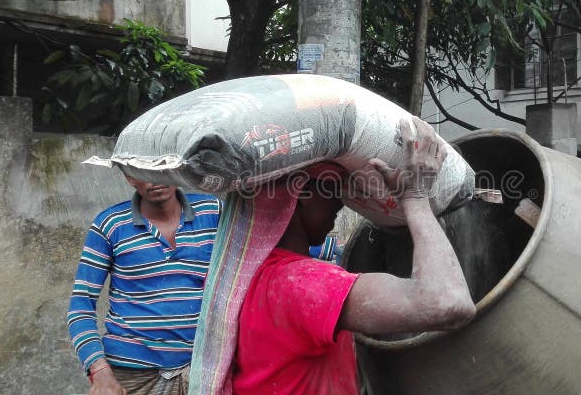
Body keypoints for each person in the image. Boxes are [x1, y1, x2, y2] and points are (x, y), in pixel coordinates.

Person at [231, 117, 476, 394]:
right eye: (332, 186)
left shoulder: (255, 276)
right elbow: (449, 302)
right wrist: (416, 198)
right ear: (301, 192)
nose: (340, 200)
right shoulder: (298, 283)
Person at [67, 176, 221, 395]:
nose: (156, 178)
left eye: (162, 166)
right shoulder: (110, 225)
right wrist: (100, 372)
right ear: (129, 176)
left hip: (206, 369)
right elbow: (81, 306)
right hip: (132, 376)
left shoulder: (213, 212)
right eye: (144, 170)